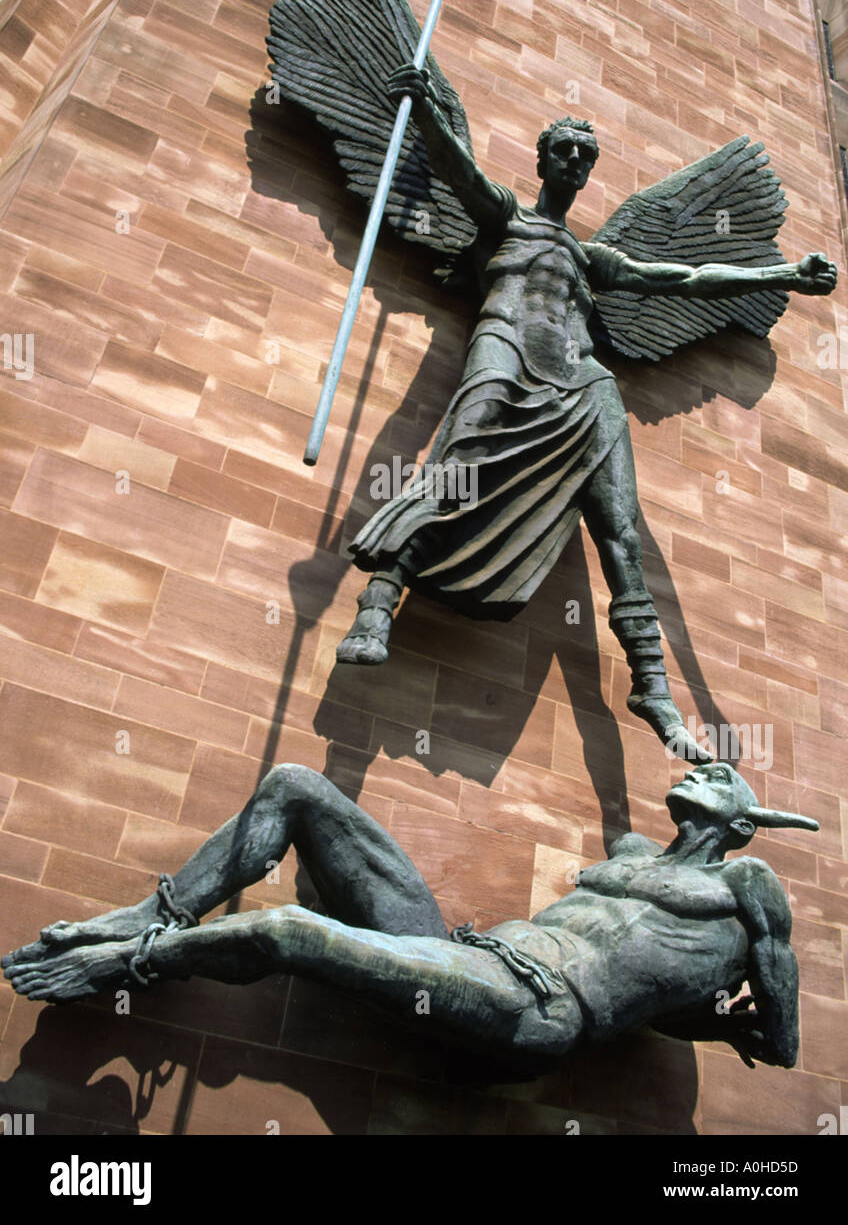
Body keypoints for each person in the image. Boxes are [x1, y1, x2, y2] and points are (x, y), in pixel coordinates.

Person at [337, 66, 838, 762]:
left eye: (586, 157)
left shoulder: (591, 256)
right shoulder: (508, 217)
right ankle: (376, 601)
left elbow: (683, 280)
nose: (575, 163)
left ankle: (653, 690)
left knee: (620, 527)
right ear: (542, 161)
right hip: (505, 343)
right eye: (564, 152)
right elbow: (460, 173)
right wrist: (423, 110)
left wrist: (782, 276)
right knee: (459, 455)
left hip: (584, 380)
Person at [2, 760, 816, 1070]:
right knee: (296, 786)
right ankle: (151, 912)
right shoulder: (635, 855)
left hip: (538, 1008)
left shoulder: (750, 887)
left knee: (290, 932)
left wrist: (729, 1027)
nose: (707, 764)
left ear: (744, 826)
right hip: (467, 956)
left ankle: (124, 964)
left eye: (723, 776)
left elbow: (778, 1042)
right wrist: (699, 1021)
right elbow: (653, 985)